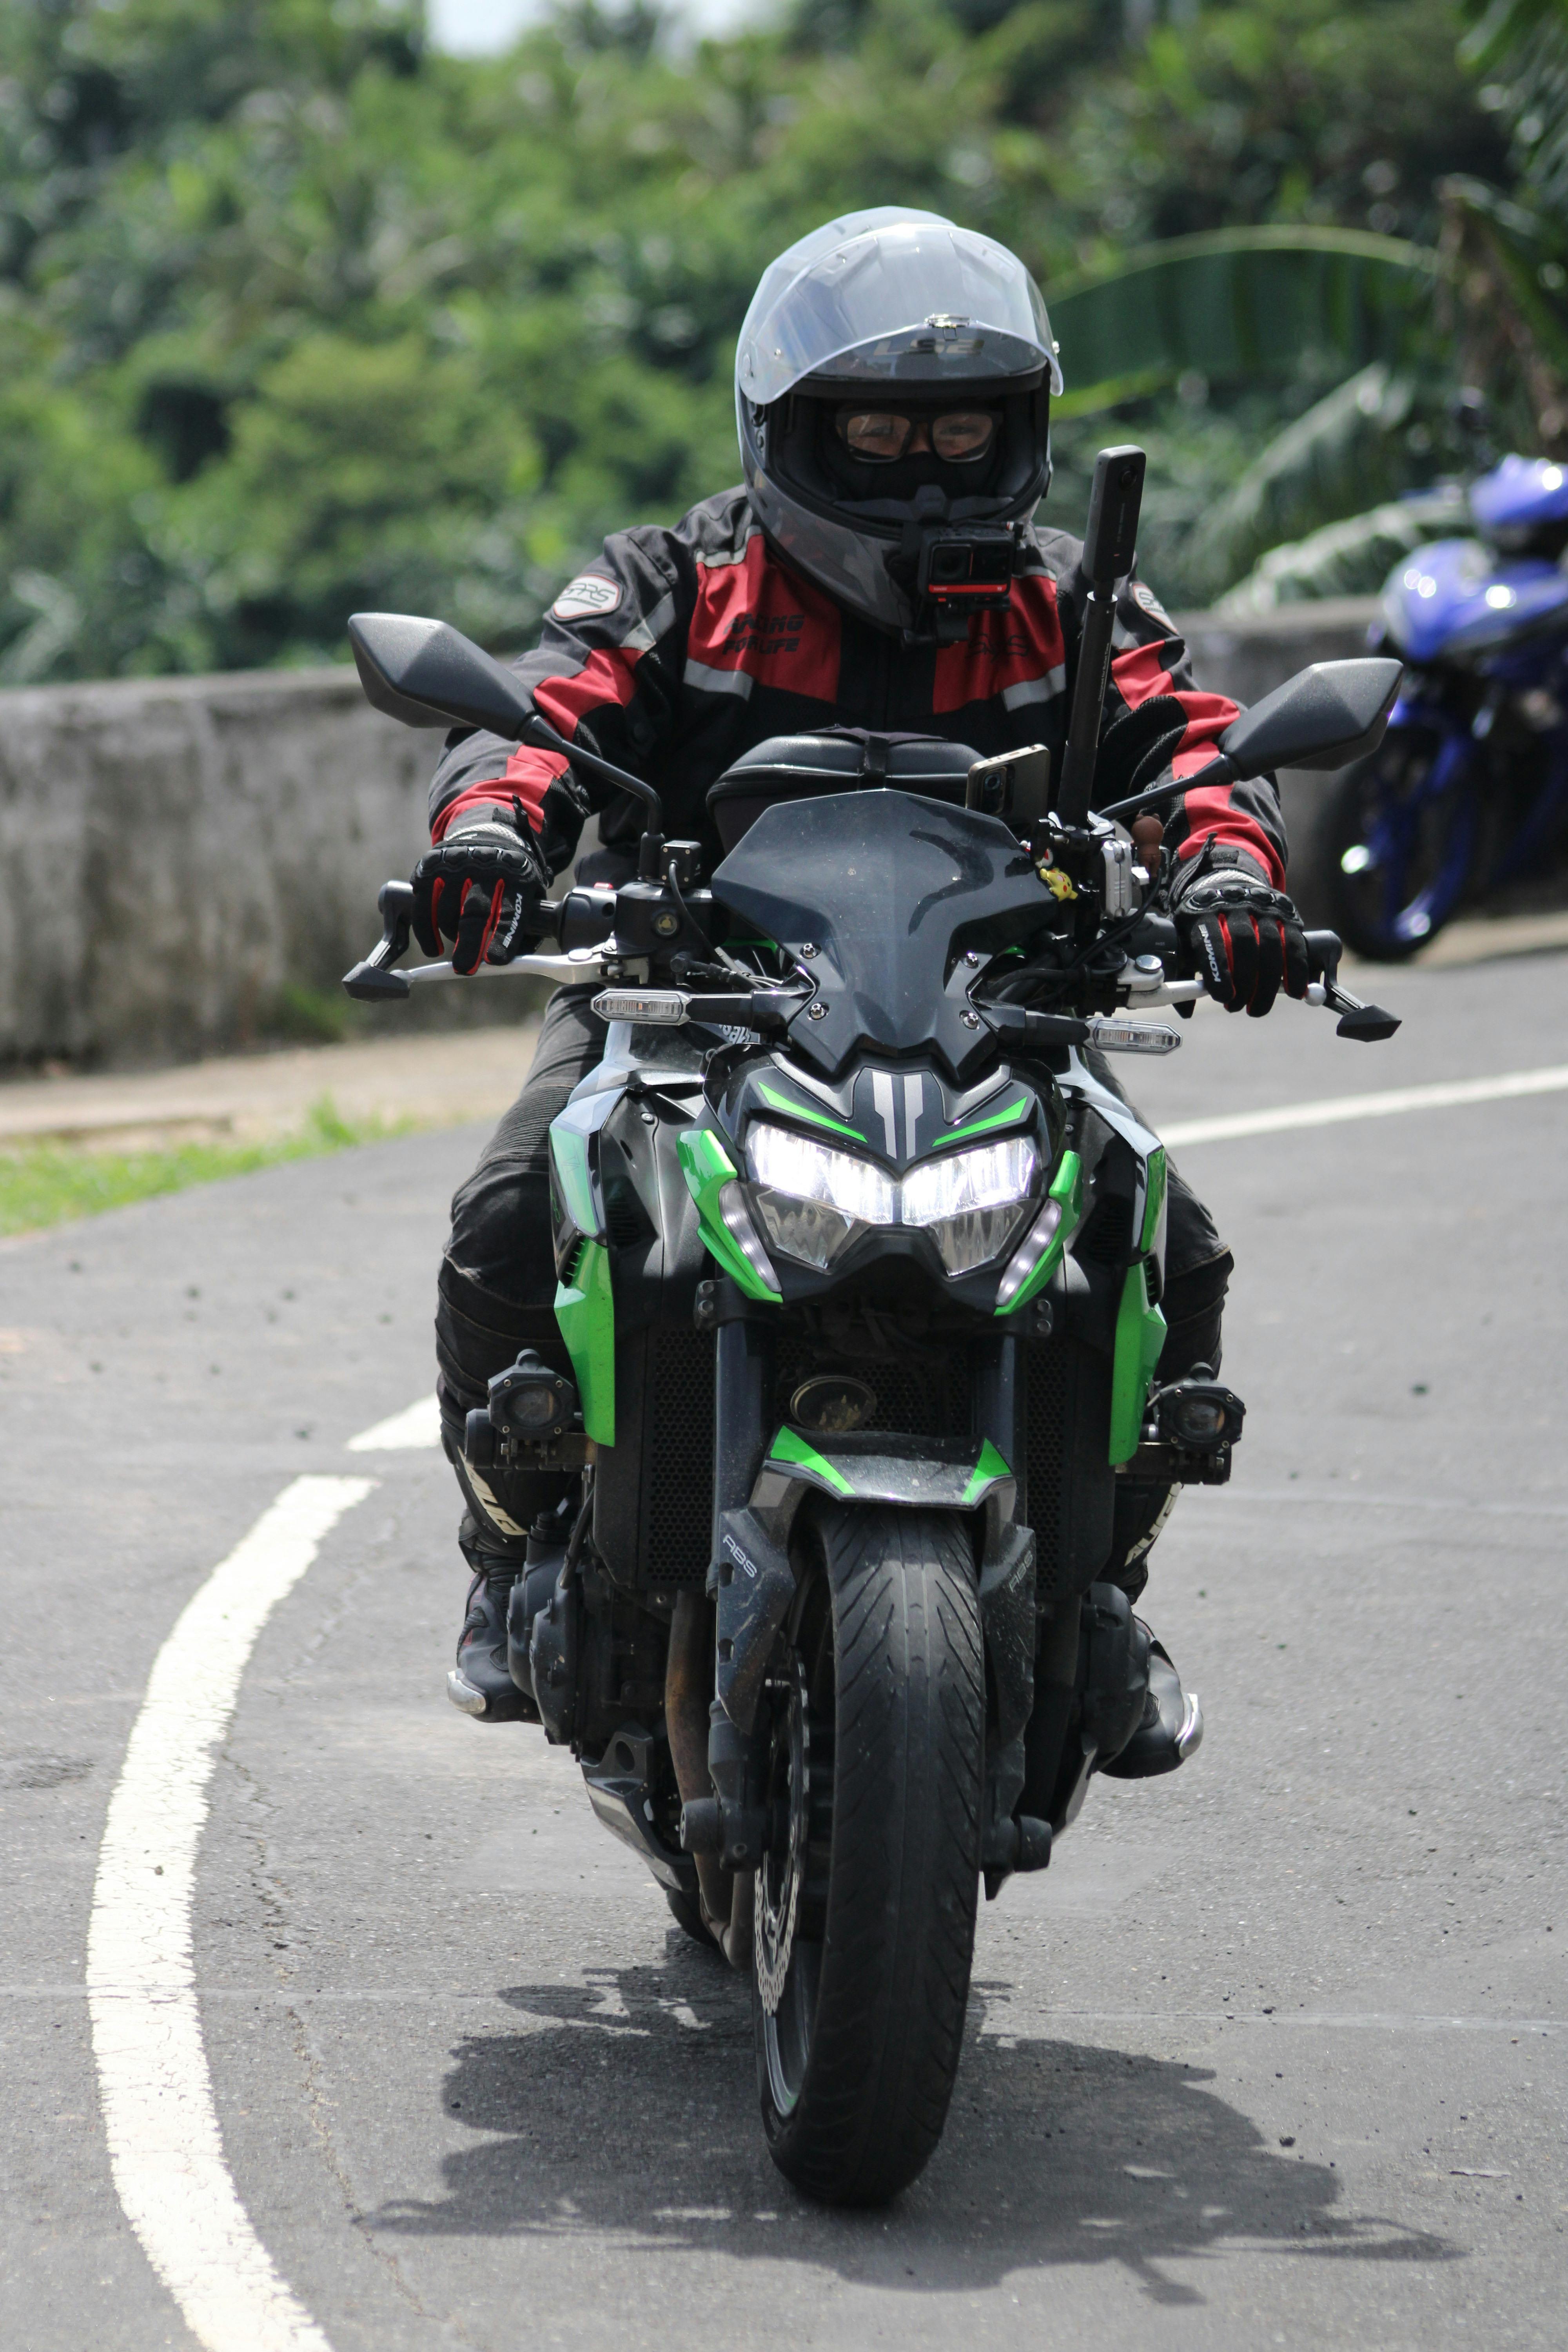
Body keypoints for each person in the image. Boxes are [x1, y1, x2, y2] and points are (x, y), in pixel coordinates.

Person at [411, 207, 1308, 1723]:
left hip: (994, 1016)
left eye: (964, 427)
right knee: (510, 1212)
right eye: (879, 429)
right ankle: (509, 1556)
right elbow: (537, 720)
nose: (926, 465)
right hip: (695, 1002)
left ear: (1023, 427)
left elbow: (1197, 747)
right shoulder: (681, 583)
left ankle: (1103, 1597)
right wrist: (492, 841)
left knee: (1176, 1251)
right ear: (789, 431)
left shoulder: (1072, 605)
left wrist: (1231, 870)